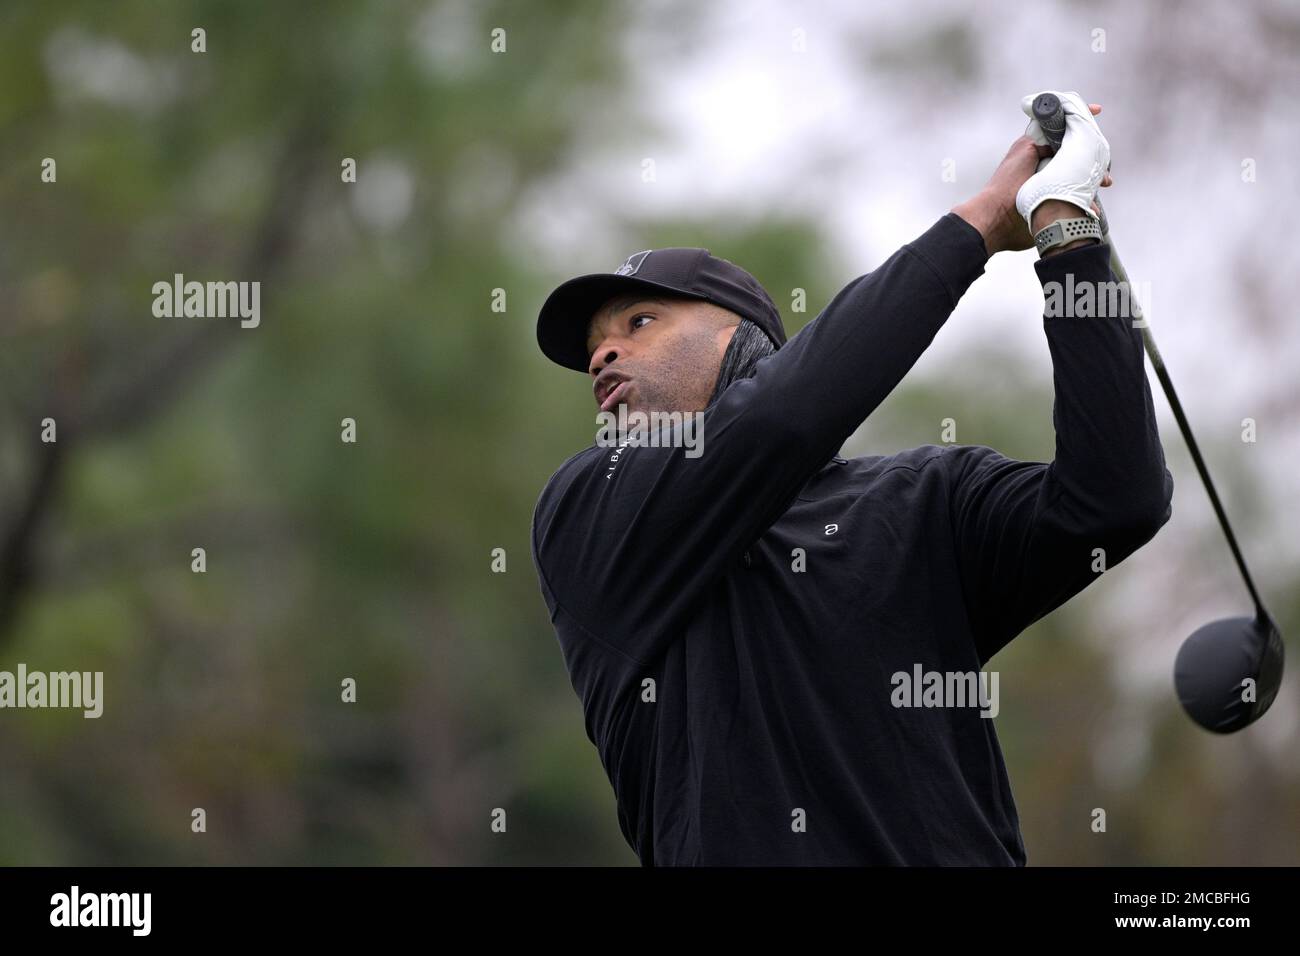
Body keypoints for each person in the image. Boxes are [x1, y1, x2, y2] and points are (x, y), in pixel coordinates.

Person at [529, 92, 1173, 865]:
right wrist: (977, 225)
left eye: (639, 323)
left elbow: (1114, 504)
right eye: (596, 348)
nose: (602, 356)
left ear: (747, 346)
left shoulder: (924, 500)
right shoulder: (590, 515)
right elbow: (783, 421)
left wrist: (1067, 235)